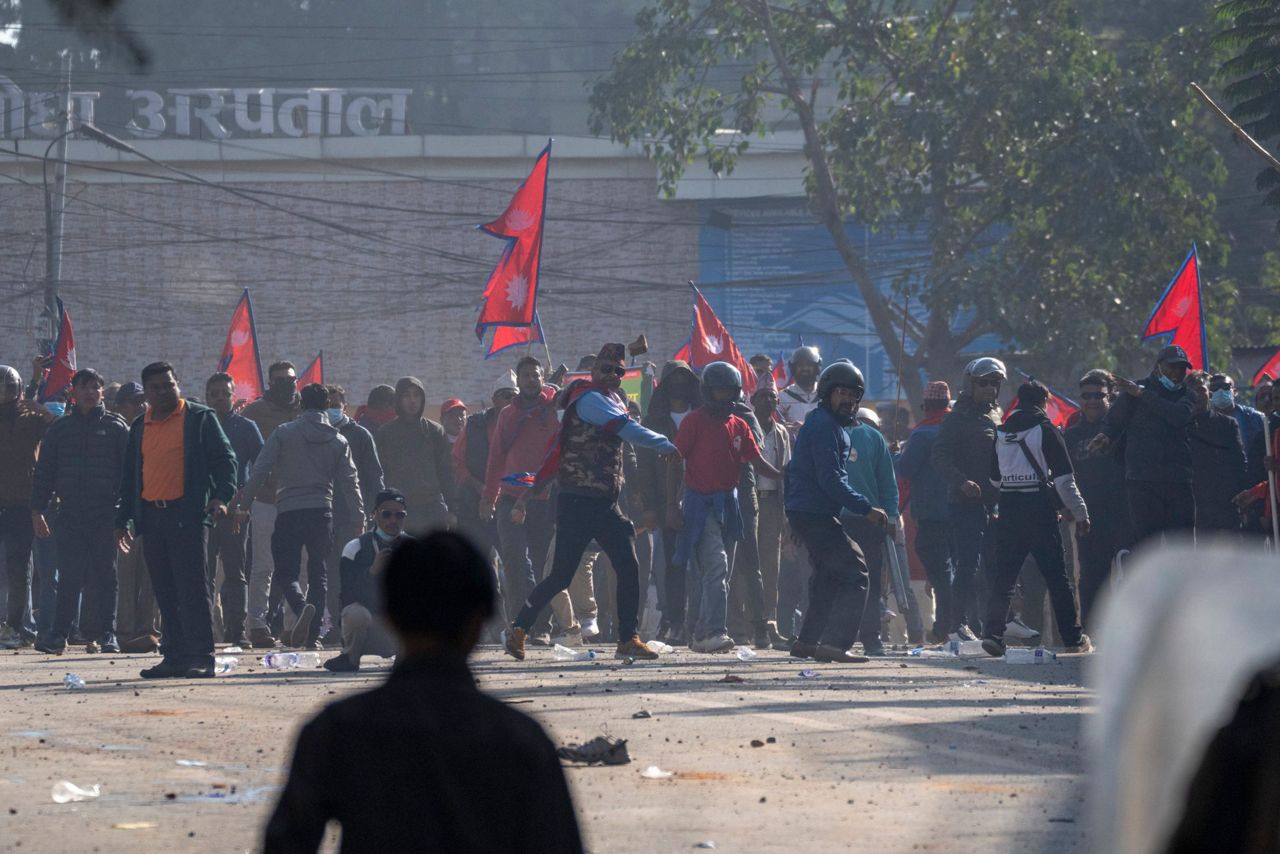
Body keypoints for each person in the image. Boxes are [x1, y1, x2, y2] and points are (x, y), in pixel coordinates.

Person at [265, 532, 583, 854]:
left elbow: (286, 842)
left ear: (389, 616)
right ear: (479, 624)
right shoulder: (521, 741)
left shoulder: (337, 730)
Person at [504, 343, 677, 662]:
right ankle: (519, 628)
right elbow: (625, 429)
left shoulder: (612, 400)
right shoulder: (589, 399)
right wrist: (666, 444)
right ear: (594, 371)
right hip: (578, 501)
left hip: (603, 502)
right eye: (605, 369)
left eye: (618, 371)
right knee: (562, 575)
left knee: (627, 564)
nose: (612, 375)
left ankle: (627, 638)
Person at [115, 362, 238, 679]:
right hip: (151, 517)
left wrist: (221, 497)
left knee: (192, 589)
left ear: (178, 384)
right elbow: (131, 476)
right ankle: (175, 657)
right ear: (146, 393)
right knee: (165, 590)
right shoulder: (140, 426)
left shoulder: (199, 418)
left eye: (168, 385)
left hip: (187, 516)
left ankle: (201, 657)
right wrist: (122, 519)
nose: (163, 391)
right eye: (155, 387)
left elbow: (226, 461)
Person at [235, 383, 362, 650]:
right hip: (322, 512)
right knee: (318, 573)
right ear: (327, 405)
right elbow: (351, 482)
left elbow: (260, 470)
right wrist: (358, 517)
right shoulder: (338, 440)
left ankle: (300, 606)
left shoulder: (284, 433)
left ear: (301, 405)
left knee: (286, 571)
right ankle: (312, 638)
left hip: (289, 511)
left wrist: (243, 506)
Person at [669, 362, 782, 654]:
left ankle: (697, 633)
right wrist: (673, 503)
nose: (725, 397)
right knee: (716, 565)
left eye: (730, 391)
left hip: (730, 506)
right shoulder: (693, 422)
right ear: (708, 392)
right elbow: (676, 459)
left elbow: (756, 462)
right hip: (700, 505)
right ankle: (713, 631)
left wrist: (784, 475)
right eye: (719, 391)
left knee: (719, 573)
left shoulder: (739, 424)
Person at [785, 360, 889, 664]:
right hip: (815, 512)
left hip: (808, 511)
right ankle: (835, 643)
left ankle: (807, 641)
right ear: (828, 393)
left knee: (827, 577)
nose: (848, 400)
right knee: (856, 572)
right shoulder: (825, 426)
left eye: (853, 395)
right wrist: (866, 508)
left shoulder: (827, 424)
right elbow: (830, 480)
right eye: (841, 393)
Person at [981, 381, 1093, 656]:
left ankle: (993, 634)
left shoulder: (1001, 432)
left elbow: (994, 480)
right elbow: (1065, 481)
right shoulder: (1046, 430)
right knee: (1057, 578)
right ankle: (1073, 638)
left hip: (1009, 508)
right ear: (1044, 401)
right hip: (1039, 509)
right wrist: (1080, 513)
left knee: (1005, 577)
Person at [30, 369, 129, 655]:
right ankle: (59, 634)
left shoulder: (116, 427)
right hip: (70, 514)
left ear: (101, 392)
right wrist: (37, 510)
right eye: (83, 387)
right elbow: (45, 472)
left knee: (106, 576)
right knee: (69, 576)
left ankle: (107, 634)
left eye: (95, 387)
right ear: (73, 392)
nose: (89, 392)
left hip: (105, 514)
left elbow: (131, 473)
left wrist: (126, 515)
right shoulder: (60, 429)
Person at [1088, 344, 1196, 546]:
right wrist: (1104, 436)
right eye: (1172, 367)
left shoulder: (1188, 395)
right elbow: (1114, 420)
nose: (1177, 373)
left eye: (1182, 368)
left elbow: (1178, 417)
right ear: (1158, 366)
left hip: (1177, 481)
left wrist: (1144, 394)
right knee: (1147, 546)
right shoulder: (1134, 390)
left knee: (1182, 547)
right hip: (1142, 480)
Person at [932, 357, 1005, 642]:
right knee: (967, 565)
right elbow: (939, 457)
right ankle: (957, 625)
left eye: (994, 383)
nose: (989, 388)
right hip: (964, 503)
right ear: (970, 384)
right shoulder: (956, 418)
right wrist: (961, 482)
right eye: (983, 383)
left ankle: (998, 624)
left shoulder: (995, 417)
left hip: (993, 502)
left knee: (995, 566)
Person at [482, 357, 558, 626]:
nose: (530, 380)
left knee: (541, 565)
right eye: (525, 375)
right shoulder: (508, 415)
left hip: (544, 499)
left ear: (542, 377)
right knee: (514, 561)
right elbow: (496, 458)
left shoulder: (554, 410)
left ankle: (542, 625)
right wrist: (488, 498)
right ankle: (518, 624)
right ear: (519, 380)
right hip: (510, 498)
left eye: (535, 375)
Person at [635, 360, 701, 644]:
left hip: (702, 497)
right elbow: (645, 466)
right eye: (674, 378)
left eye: (684, 378)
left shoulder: (702, 415)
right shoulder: (654, 421)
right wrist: (650, 506)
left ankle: (700, 622)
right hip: (666, 503)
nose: (679, 384)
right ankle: (675, 622)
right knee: (672, 566)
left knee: (704, 565)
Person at [1063, 370, 1132, 629]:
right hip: (1088, 517)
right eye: (1086, 396)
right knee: (1091, 577)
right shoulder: (1071, 435)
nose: (1092, 401)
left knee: (1128, 574)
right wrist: (1065, 505)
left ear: (1110, 397)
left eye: (1098, 395)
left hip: (1124, 513)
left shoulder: (1123, 430)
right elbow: (1063, 475)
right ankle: (1091, 634)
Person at [241, 361, 302, 648]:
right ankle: (256, 624)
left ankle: (294, 626)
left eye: (290, 380)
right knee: (263, 565)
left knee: (298, 566)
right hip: (265, 499)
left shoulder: (306, 409)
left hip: (299, 500)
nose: (286, 385)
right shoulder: (255, 412)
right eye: (279, 381)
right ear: (269, 383)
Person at [204, 372, 265, 647]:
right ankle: (203, 629)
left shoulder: (246, 427)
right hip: (204, 511)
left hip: (235, 511)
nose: (220, 398)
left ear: (233, 396)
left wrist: (245, 502)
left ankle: (237, 631)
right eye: (214, 394)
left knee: (235, 573)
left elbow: (261, 468)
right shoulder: (199, 425)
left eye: (225, 393)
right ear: (207, 398)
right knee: (203, 573)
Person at [323, 489, 413, 673]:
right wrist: (372, 572)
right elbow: (347, 596)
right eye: (386, 514)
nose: (393, 520)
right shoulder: (355, 547)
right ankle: (350, 658)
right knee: (354, 612)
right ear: (374, 514)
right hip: (369, 628)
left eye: (399, 515)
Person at [322, 384, 384, 647]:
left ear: (345, 406)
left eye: (336, 404)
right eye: (327, 404)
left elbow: (375, 476)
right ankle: (336, 626)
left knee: (355, 573)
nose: (332, 409)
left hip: (353, 517)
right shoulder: (317, 435)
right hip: (324, 516)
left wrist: (378, 510)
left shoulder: (360, 435)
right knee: (330, 575)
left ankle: (361, 628)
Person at [896, 380, 954, 643]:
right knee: (955, 568)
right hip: (962, 511)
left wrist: (895, 455)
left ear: (926, 406)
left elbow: (905, 469)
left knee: (940, 570)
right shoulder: (959, 430)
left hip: (932, 512)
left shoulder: (921, 435)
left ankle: (944, 626)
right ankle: (957, 623)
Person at [0, 364, 53, 648]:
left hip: (22, 503)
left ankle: (16, 626)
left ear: (18, 389)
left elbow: (58, 431)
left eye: (9, 387)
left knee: (19, 568)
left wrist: (43, 408)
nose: (4, 393)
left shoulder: (32, 416)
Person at [842, 404, 900, 656]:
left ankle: (871, 637)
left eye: (851, 395)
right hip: (833, 518)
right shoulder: (824, 433)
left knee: (871, 582)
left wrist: (892, 517)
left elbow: (887, 481)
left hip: (869, 520)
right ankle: (835, 638)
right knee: (833, 579)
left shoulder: (873, 438)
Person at [112, 382, 159, 653]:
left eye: (143, 400)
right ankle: (125, 632)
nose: (141, 406)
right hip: (126, 514)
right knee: (126, 577)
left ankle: (147, 630)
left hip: (151, 512)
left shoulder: (152, 432)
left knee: (151, 577)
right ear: (120, 406)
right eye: (134, 401)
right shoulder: (116, 434)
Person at [376, 376, 457, 534]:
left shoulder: (434, 431)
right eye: (407, 395)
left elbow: (446, 472)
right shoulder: (386, 433)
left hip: (432, 508)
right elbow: (379, 473)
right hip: (398, 511)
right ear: (398, 399)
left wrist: (452, 509)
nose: (412, 400)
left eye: (416, 395)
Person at [453, 374, 517, 557]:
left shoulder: (524, 426)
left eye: (515, 396)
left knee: (515, 560)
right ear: (494, 399)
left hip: (509, 505)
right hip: (473, 507)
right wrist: (478, 486)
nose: (510, 401)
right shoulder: (474, 426)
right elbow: (457, 462)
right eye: (506, 395)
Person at [750, 372, 792, 649]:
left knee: (770, 567)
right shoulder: (745, 426)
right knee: (745, 566)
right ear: (753, 400)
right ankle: (743, 625)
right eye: (763, 396)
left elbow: (786, 474)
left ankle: (770, 624)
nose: (768, 401)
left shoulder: (782, 433)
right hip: (748, 502)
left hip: (772, 504)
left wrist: (787, 516)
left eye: (772, 397)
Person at [1186, 372, 1247, 534]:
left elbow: (1239, 463)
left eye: (1201, 390)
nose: (1198, 396)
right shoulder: (1179, 426)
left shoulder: (1227, 424)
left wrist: (1243, 496)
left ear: (1209, 393)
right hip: (1193, 505)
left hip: (1225, 504)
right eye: (1193, 391)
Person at [1208, 373, 1267, 491]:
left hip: (1252, 483)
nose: (1220, 391)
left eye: (1225, 387)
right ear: (1209, 394)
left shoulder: (1256, 418)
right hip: (1219, 486)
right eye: (1215, 388)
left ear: (1234, 392)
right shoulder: (1203, 421)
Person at [777, 345, 822, 435]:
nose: (805, 368)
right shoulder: (783, 397)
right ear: (793, 368)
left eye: (809, 365)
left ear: (816, 368)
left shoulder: (826, 394)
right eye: (800, 365)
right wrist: (783, 427)